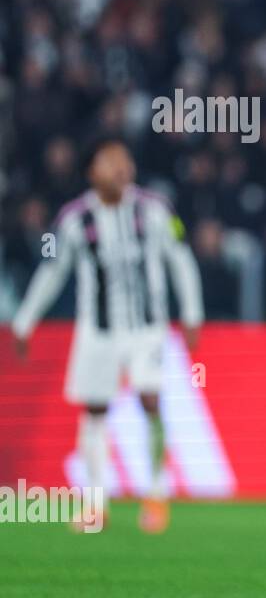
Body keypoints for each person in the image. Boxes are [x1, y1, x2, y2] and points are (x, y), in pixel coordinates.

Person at [12, 135, 204, 533]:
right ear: (92, 171)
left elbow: (180, 257)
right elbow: (51, 269)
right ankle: (96, 503)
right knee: (94, 411)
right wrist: (25, 319)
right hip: (97, 332)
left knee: (150, 399)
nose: (121, 168)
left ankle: (156, 495)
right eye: (110, 161)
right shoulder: (70, 220)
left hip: (147, 328)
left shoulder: (156, 210)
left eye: (125, 160)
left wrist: (191, 312)